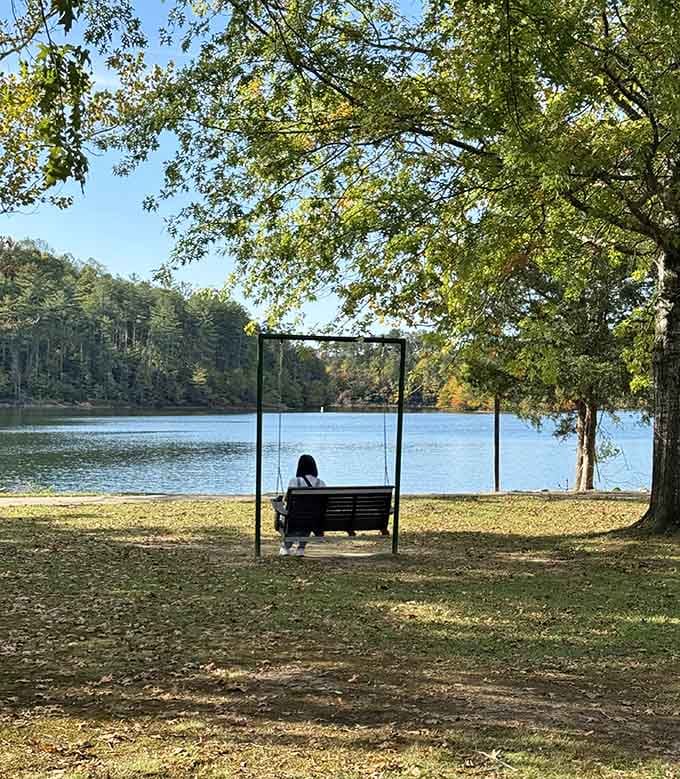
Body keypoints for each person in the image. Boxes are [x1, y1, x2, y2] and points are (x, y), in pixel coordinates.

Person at [279, 454, 325, 557]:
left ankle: (286, 547)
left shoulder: (295, 481)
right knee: (309, 517)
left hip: (295, 518)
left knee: (296, 517)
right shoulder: (321, 483)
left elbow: (287, 499)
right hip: (315, 520)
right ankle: (301, 548)